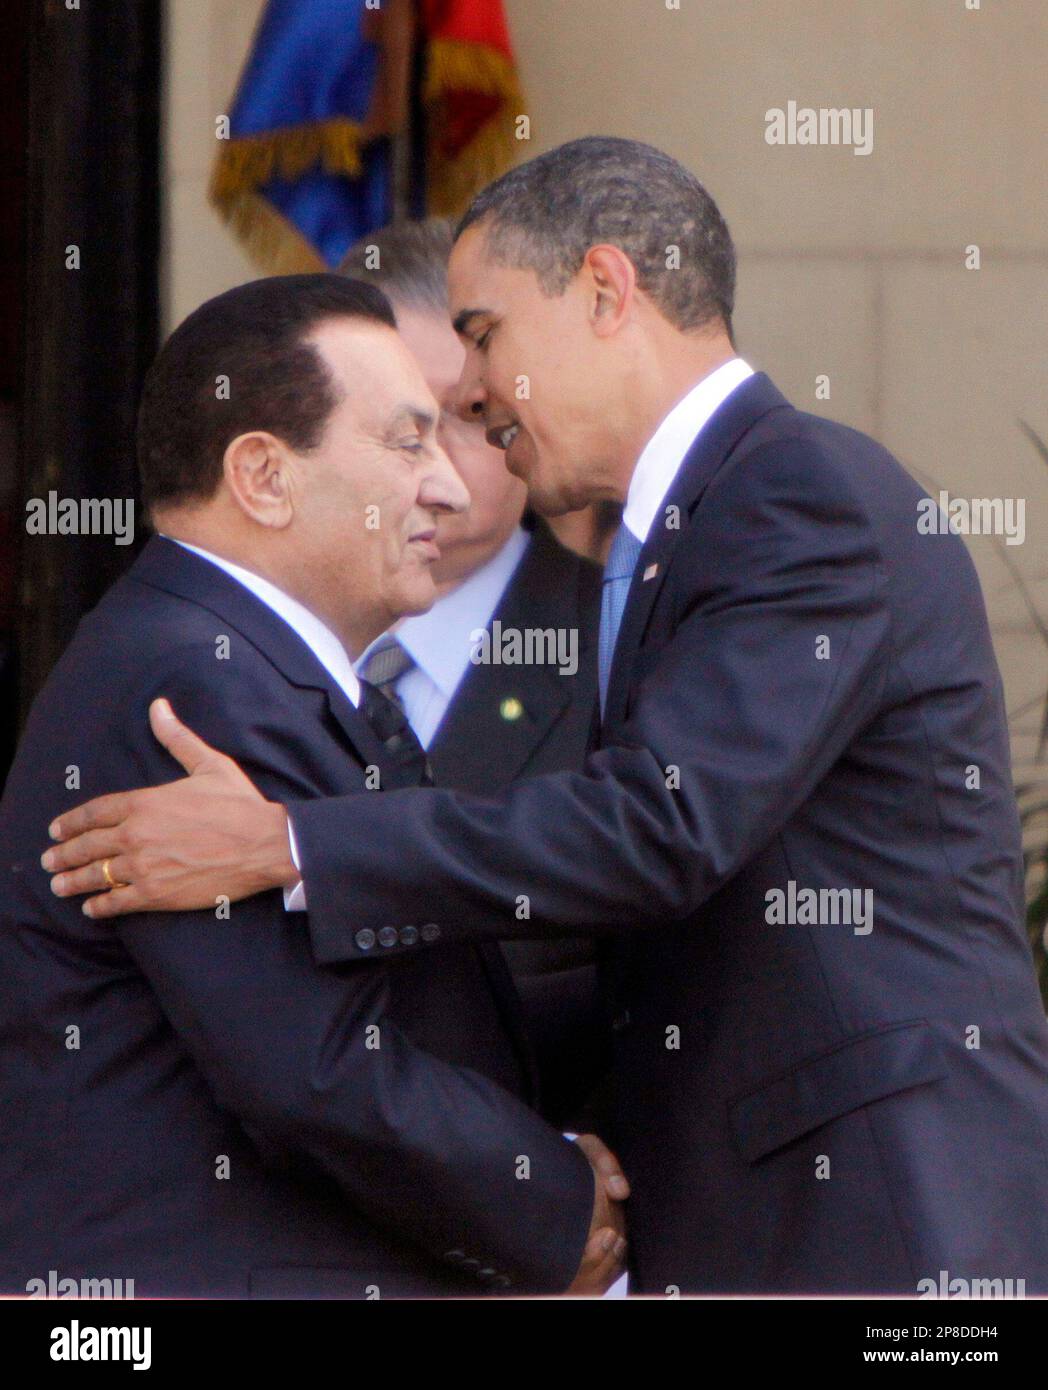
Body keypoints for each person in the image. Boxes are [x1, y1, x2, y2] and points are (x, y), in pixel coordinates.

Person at [44, 137, 1048, 1295]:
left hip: (880, 1221)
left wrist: (285, 845)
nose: (467, 393)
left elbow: (658, 829)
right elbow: (669, 940)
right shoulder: (689, 524)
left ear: (606, 292)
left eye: (482, 334)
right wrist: (530, 1167)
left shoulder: (793, 492)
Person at [2, 273, 628, 1298]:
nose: (452, 487)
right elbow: (313, 1069)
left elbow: (425, 1008)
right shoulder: (194, 683)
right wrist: (557, 1203)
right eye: (406, 441)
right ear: (263, 476)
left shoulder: (241, 664)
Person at [343, 219, 607, 1127]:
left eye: (463, 415)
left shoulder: (622, 639)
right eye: (397, 425)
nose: (434, 468)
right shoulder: (251, 646)